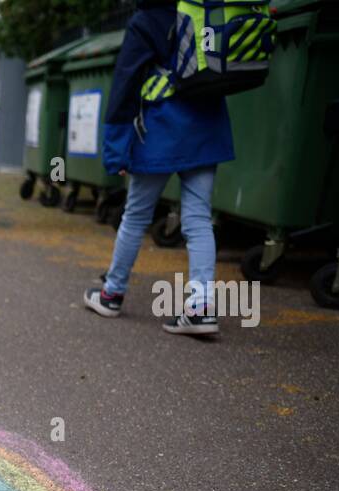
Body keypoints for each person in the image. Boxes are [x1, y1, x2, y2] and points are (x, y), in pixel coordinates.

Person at [82, 0, 234, 335]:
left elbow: (125, 83)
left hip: (159, 133)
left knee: (136, 215)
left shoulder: (146, 20)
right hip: (206, 129)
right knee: (198, 218)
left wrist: (115, 151)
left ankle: (112, 294)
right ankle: (200, 307)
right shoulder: (207, 11)